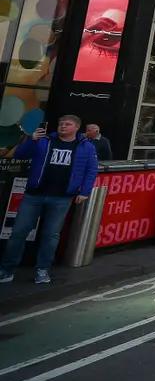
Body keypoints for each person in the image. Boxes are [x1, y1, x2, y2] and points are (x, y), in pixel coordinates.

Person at [0, 116, 99, 285]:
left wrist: (85, 191)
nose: (63, 126)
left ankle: (42, 269)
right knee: (18, 232)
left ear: (76, 127)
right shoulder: (44, 140)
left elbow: (91, 169)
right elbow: (20, 154)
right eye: (61, 124)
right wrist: (31, 140)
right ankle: (7, 269)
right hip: (34, 194)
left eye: (67, 124)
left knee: (51, 235)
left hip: (62, 197)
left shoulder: (86, 146)